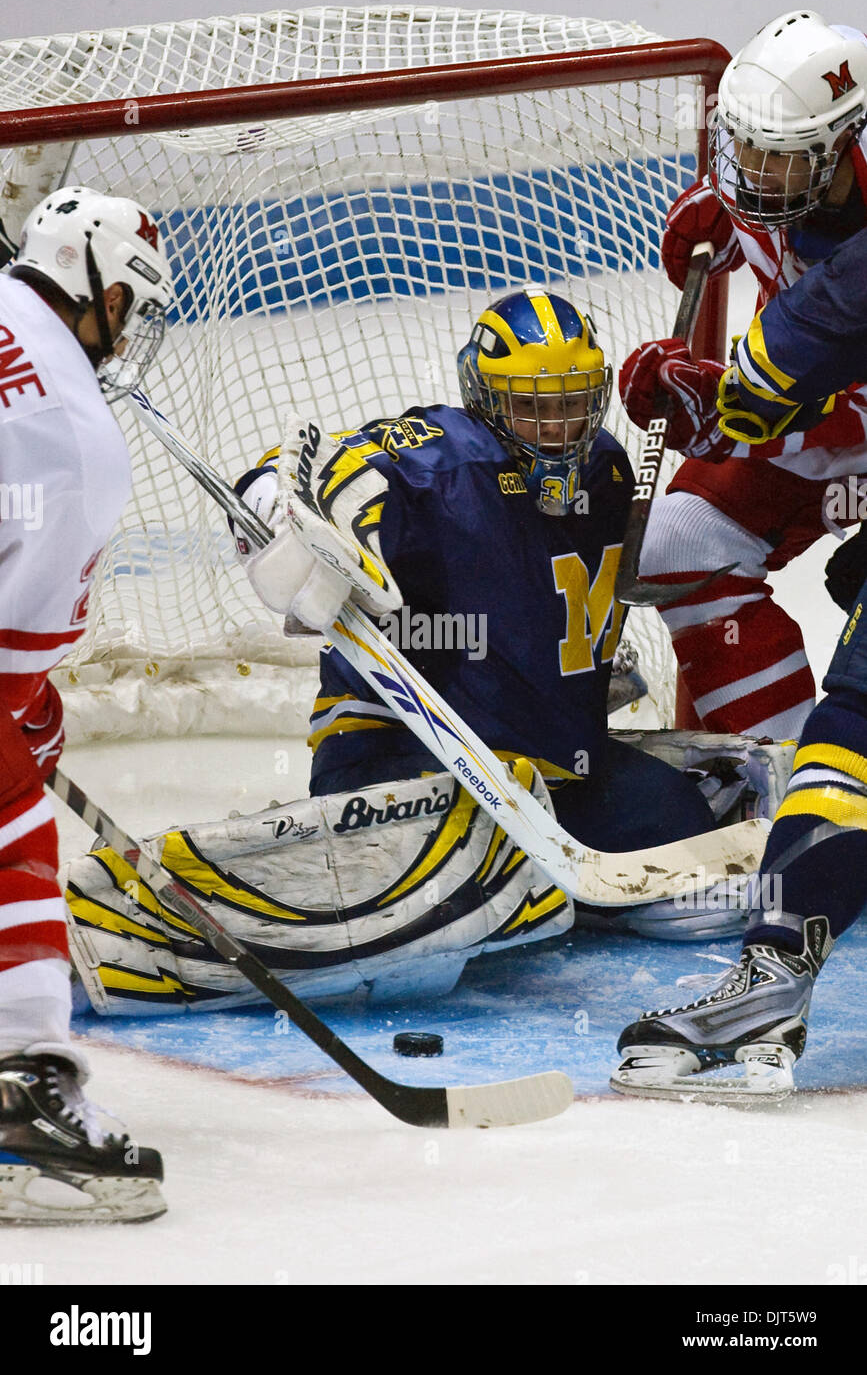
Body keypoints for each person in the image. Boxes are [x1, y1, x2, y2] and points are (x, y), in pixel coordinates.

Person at [64, 289, 790, 1019]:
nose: (555, 426)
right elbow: (315, 471)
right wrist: (286, 526)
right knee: (469, 870)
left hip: (557, 767)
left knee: (707, 864)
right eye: (529, 405)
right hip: (404, 760)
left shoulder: (602, 465)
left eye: (572, 402)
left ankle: (536, 886)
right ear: (482, 398)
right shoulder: (443, 457)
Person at [612, 224, 867, 1100]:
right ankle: (786, 812)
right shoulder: (773, 169)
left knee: (859, 723)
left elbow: (827, 315)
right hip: (822, 421)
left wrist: (724, 404)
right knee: (852, 726)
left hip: (835, 415)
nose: (763, 168)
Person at [619, 10, 867, 739]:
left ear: (841, 142)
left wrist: (723, 419)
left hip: (839, 424)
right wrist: (725, 221)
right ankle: (785, 764)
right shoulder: (794, 176)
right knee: (677, 544)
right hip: (807, 410)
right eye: (744, 146)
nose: (750, 169)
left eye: (775, 155)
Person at [0, 186, 172, 1221]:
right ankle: (24, 1096)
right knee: (12, 818)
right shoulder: (76, 443)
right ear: (104, 293)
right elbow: (10, 668)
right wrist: (31, 719)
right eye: (130, 309)